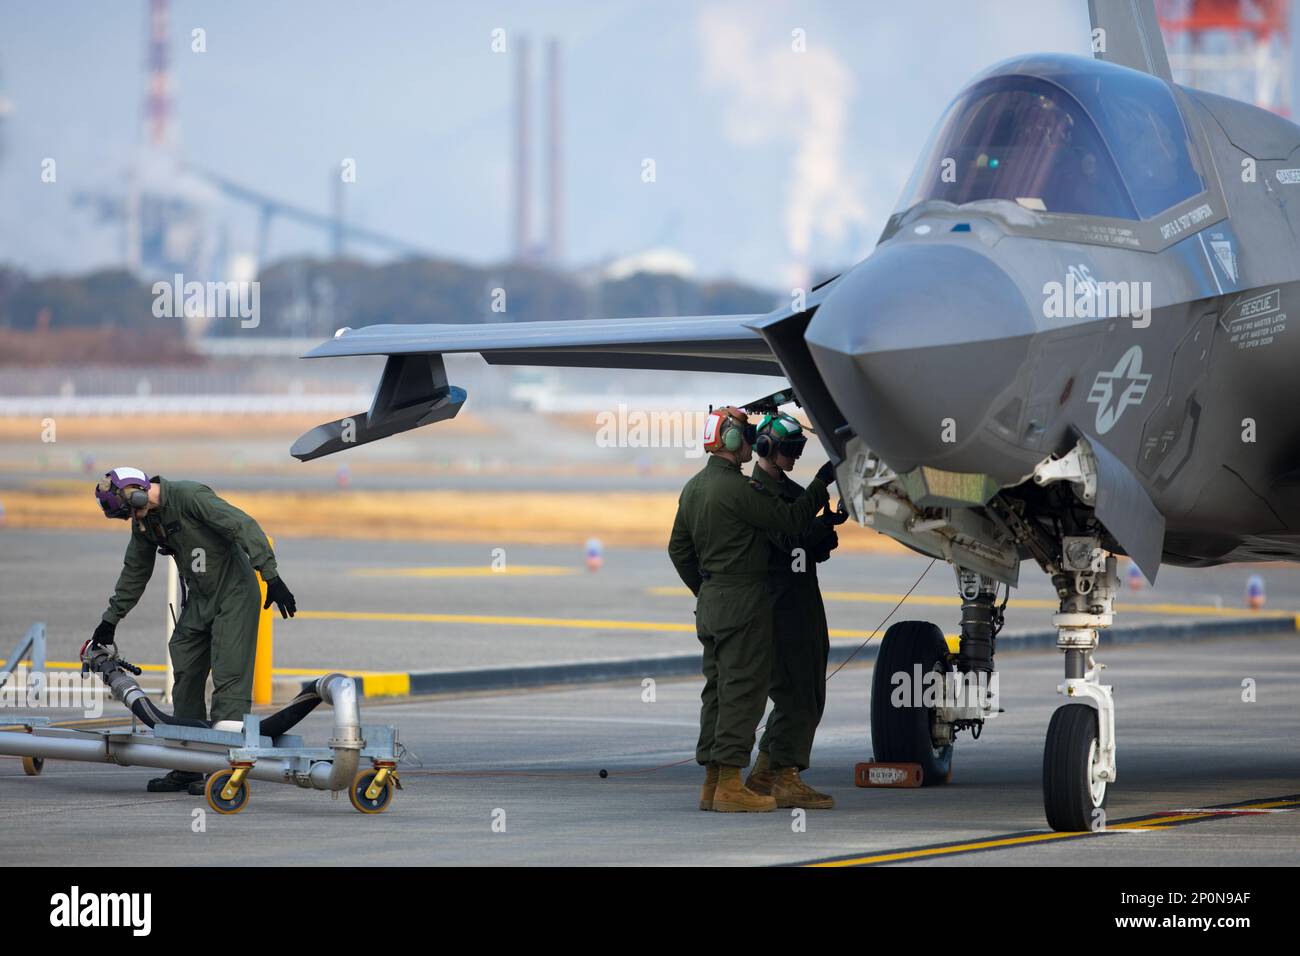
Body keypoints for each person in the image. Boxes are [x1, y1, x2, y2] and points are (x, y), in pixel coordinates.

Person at [668, 407, 834, 812]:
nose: (748, 442)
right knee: (743, 693)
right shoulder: (738, 490)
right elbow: (791, 521)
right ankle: (729, 786)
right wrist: (821, 482)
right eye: (744, 435)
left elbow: (678, 550)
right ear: (728, 441)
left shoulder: (693, 487)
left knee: (718, 693)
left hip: (713, 602)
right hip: (743, 603)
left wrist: (708, 590)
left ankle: (712, 784)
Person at [91, 467, 296, 793]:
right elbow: (135, 572)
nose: (134, 518)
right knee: (184, 670)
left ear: (138, 492)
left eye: (132, 509)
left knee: (229, 678)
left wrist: (270, 575)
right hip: (199, 600)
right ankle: (188, 766)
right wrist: (110, 621)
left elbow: (242, 525)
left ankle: (228, 768)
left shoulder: (189, 497)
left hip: (234, 595)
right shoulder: (146, 522)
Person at [745, 413, 847, 810]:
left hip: (800, 597)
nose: (794, 457)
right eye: (789, 450)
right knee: (797, 692)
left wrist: (824, 530)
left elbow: (802, 542)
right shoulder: (758, 493)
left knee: (805, 687)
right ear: (766, 448)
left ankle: (766, 774)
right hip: (781, 603)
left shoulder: (788, 489)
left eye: (798, 450)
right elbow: (787, 537)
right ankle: (785, 776)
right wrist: (820, 490)